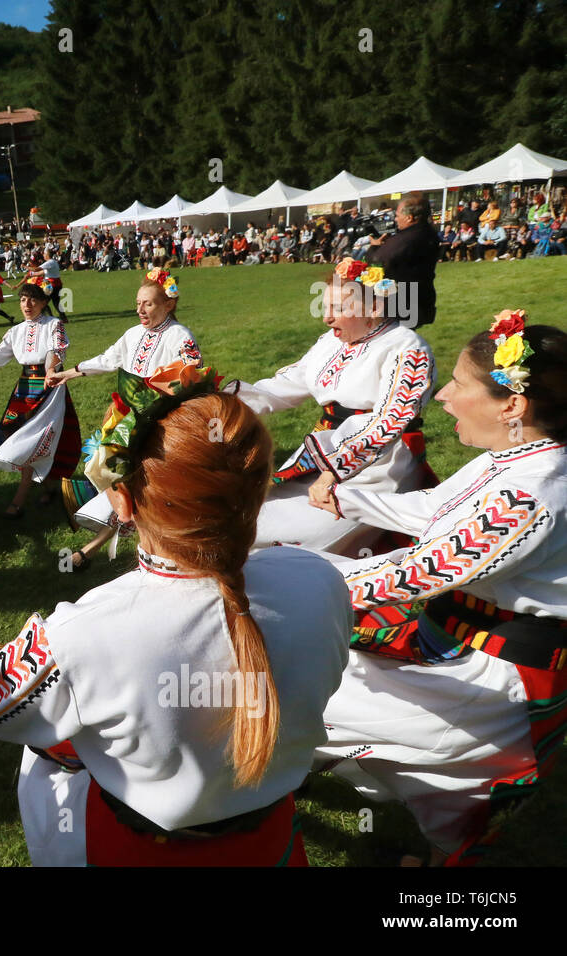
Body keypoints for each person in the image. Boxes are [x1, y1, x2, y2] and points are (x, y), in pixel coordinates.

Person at [0, 378, 350, 865]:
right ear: (259, 483)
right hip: (274, 845)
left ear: (123, 502)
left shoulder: (87, 633)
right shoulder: (319, 580)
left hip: (143, 852)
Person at [305, 312, 567, 866]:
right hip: (461, 647)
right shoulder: (519, 459)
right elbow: (433, 510)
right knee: (319, 688)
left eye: (460, 384)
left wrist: (288, 580)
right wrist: (345, 499)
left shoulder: (532, 494)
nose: (443, 395)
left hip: (493, 681)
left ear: (512, 406)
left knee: (297, 692)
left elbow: (418, 572)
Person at [233, 259, 434, 555]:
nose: (327, 319)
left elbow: (390, 421)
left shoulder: (408, 348)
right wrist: (217, 396)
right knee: (248, 518)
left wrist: (333, 474)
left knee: (299, 542)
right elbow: (282, 387)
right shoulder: (330, 342)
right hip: (320, 459)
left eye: (338, 309)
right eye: (326, 308)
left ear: (374, 309)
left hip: (377, 470)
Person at [47, 269, 201, 568]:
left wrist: (159, 392)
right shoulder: (133, 335)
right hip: (123, 418)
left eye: (149, 304)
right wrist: (67, 374)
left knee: (132, 480)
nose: (140, 310)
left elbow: (193, 369)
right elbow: (107, 359)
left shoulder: (179, 336)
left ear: (168, 305)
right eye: (138, 303)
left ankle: (106, 544)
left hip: (159, 421)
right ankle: (118, 536)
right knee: (112, 474)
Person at [0, 277, 81, 517]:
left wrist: (52, 369)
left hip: (49, 387)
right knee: (23, 435)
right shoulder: (15, 331)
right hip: (24, 389)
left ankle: (19, 500)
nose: (27, 304)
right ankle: (49, 485)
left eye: (33, 299)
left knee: (37, 439)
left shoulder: (54, 324)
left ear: (44, 302)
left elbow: (57, 349)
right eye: (23, 299)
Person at [365, 191, 439, 327]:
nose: (395, 219)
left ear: (409, 218)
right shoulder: (428, 233)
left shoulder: (408, 238)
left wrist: (374, 247)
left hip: (401, 303)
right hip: (419, 298)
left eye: (398, 216)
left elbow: (378, 261)